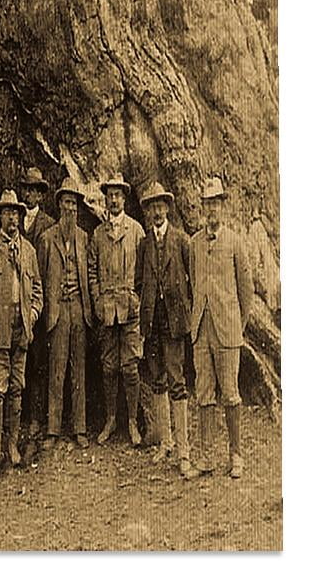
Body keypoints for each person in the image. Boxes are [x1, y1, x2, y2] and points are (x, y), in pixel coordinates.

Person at [189, 176, 254, 478]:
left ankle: (236, 455)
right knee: (203, 394)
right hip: (202, 329)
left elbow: (246, 291)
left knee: (230, 394)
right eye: (207, 203)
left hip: (228, 331)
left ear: (223, 206)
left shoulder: (235, 242)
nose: (212, 208)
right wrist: (198, 322)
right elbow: (193, 284)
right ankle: (205, 457)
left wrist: (236, 325)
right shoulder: (194, 243)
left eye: (216, 202)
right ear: (202, 207)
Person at [0, 190, 44, 477]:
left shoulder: (28, 251)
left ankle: (13, 445)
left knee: (17, 389)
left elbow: (37, 290)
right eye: (7, 213)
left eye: (16, 213)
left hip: (21, 330)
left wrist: (32, 315)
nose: (12, 218)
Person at [138, 180, 194, 476]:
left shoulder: (181, 240)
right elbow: (139, 282)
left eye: (161, 205)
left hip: (174, 321)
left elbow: (193, 283)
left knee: (177, 380)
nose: (157, 211)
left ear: (168, 208)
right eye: (152, 206)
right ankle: (166, 442)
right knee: (157, 380)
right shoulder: (144, 244)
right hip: (153, 321)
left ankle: (184, 451)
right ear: (147, 211)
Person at [88, 173, 146, 445]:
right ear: (105, 198)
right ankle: (111, 418)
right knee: (109, 367)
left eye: (118, 195)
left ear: (124, 198)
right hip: (107, 310)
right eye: (110, 195)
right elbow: (91, 271)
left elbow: (145, 270)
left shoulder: (136, 231)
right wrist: (97, 298)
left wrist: (136, 298)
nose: (113, 199)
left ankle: (133, 421)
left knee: (130, 367)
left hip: (130, 309)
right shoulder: (98, 234)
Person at [37, 178, 93, 449]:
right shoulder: (46, 238)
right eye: (67, 202)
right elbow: (39, 276)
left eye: (75, 203)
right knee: (56, 369)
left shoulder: (84, 238)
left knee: (78, 369)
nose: (71, 208)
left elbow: (90, 274)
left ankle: (80, 428)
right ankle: (53, 429)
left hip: (79, 308)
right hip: (58, 309)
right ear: (59, 204)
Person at [19, 167, 55, 445]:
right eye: (26, 189)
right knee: (20, 361)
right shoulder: (14, 221)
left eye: (34, 190)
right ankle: (21, 414)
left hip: (39, 304)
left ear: (41, 194)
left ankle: (37, 418)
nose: (29, 194)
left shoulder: (48, 225)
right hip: (17, 305)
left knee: (40, 363)